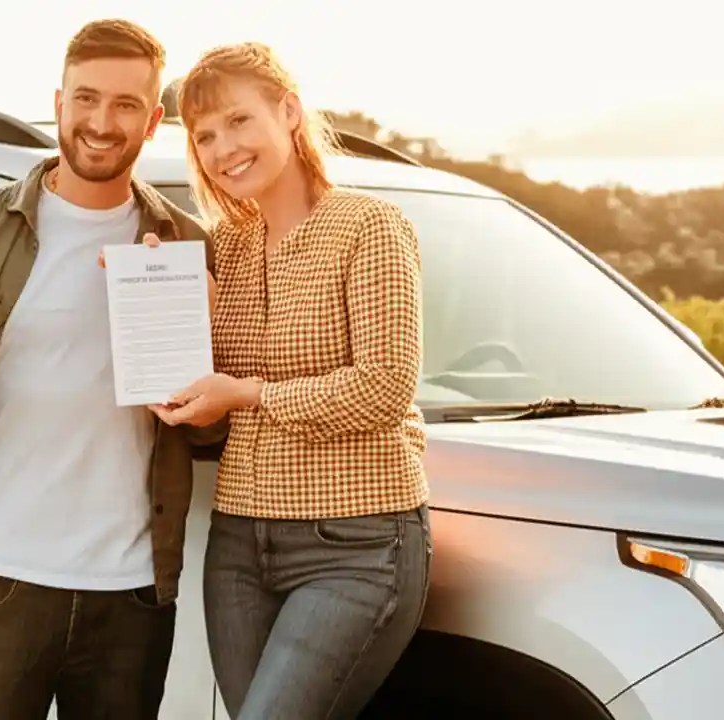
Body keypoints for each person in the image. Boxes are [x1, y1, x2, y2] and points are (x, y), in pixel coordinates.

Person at [0, 18, 222, 720]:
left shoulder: (186, 244)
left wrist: (198, 336)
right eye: (86, 98)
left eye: (125, 105)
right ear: (58, 101)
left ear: (152, 122)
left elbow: (205, 431)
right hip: (5, 577)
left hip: (134, 592)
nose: (101, 121)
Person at [150, 42, 432, 719]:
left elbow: (386, 386)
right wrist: (157, 297)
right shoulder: (227, 247)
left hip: (358, 546)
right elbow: (204, 397)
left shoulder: (370, 227)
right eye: (206, 135)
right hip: (240, 545)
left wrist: (248, 394)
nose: (223, 148)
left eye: (239, 121)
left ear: (289, 111)